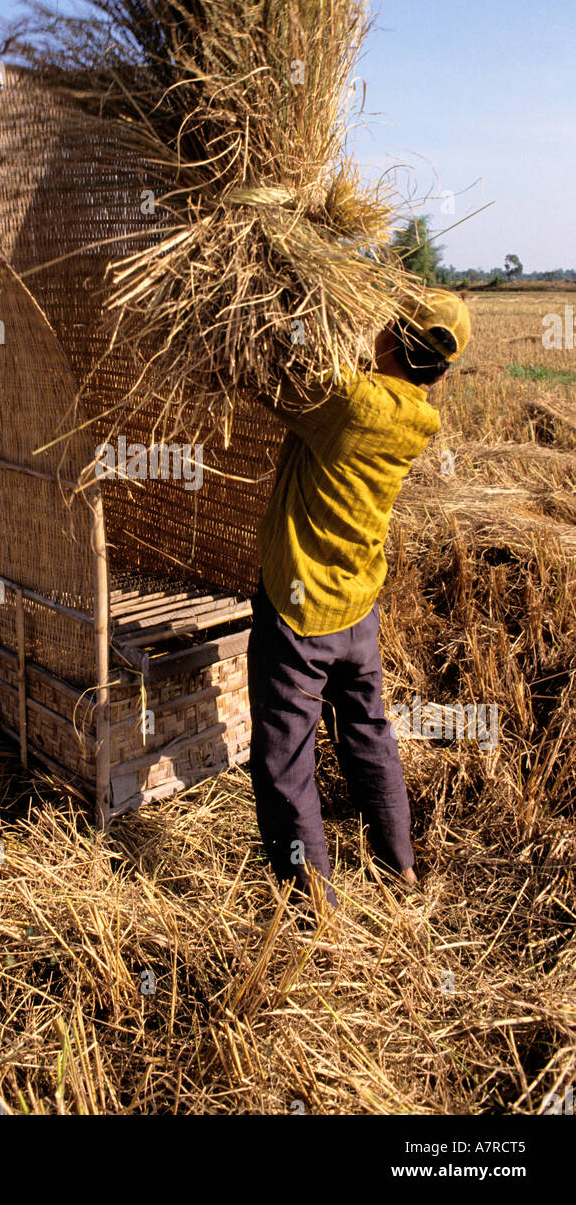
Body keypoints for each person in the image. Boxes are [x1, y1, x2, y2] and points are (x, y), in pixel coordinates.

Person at [247, 291, 472, 910]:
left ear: (394, 341)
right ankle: (400, 868)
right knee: (368, 732)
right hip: (358, 603)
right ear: (441, 373)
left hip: (301, 607)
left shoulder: (350, 403)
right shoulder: (417, 415)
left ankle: (310, 903)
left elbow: (262, 368)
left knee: (284, 759)